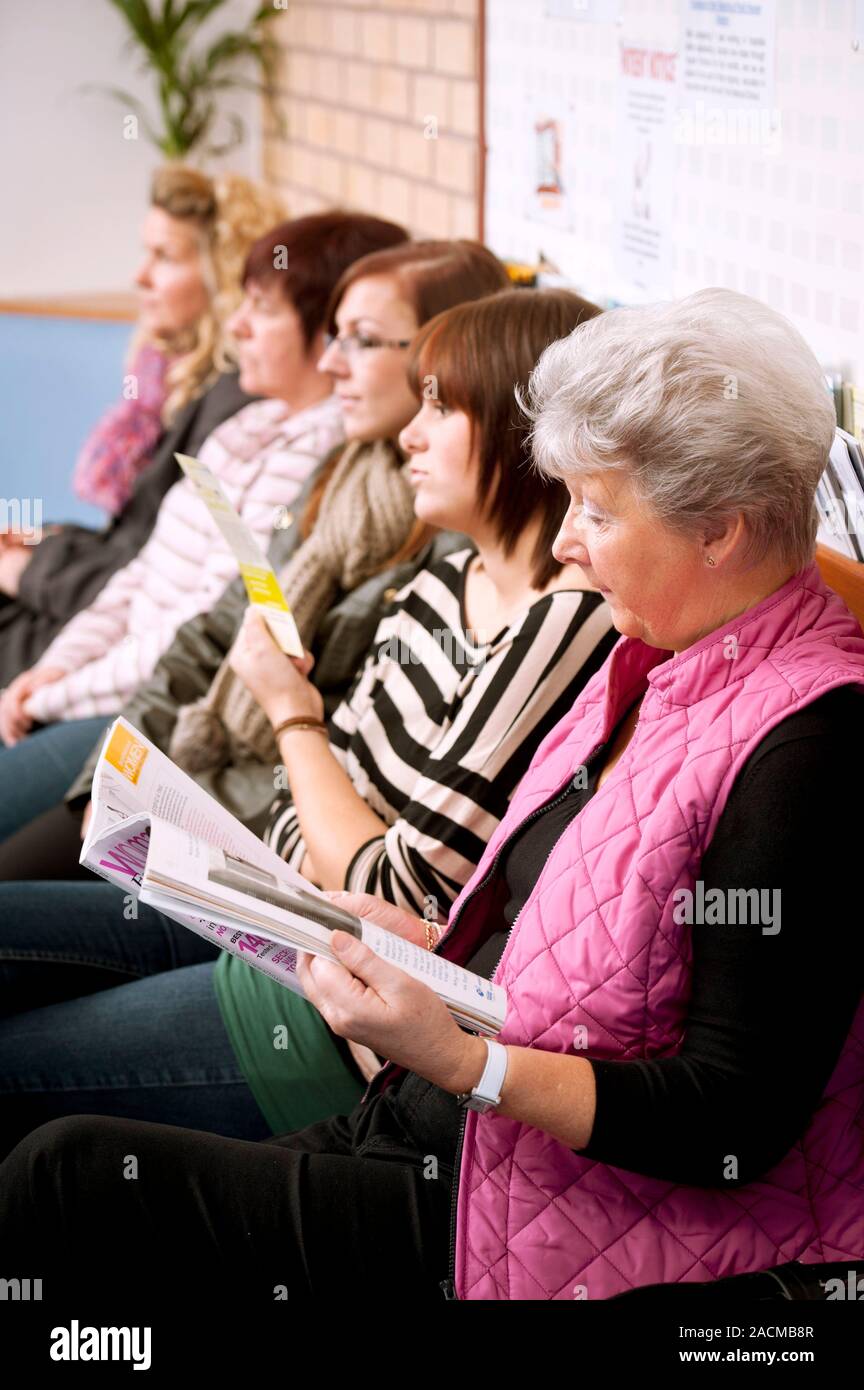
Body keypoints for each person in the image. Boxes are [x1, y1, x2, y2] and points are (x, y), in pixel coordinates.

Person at [1, 288, 861, 1304]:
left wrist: (462, 1062)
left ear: (718, 529)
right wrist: (422, 943)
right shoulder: (664, 656)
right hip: (451, 1135)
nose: (568, 545)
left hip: (532, 1211)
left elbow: (733, 1115)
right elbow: (562, 942)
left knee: (63, 1177)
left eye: (594, 509)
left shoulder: (812, 742)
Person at [0, 287, 616, 1150]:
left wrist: (295, 720)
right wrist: (325, 822)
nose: (410, 431)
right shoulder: (439, 582)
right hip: (276, 925)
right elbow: (312, 825)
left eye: (441, 405)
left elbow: (395, 889)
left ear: (526, 432)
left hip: (333, 1009)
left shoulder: (568, 619)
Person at [0, 210, 410, 839]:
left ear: (323, 333)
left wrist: (56, 695)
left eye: (263, 309)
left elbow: (190, 628)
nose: (238, 325)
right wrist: (58, 667)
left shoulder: (318, 460)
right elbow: (144, 572)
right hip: (115, 694)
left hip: (139, 709)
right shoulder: (247, 423)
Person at [0, 165, 286, 685]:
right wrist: (41, 540)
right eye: (145, 252)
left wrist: (27, 570)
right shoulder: (170, 374)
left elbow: (162, 588)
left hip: (100, 647)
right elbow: (131, 539)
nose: (140, 277)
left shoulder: (236, 406)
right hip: (77, 610)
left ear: (221, 275)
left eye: (165, 257)